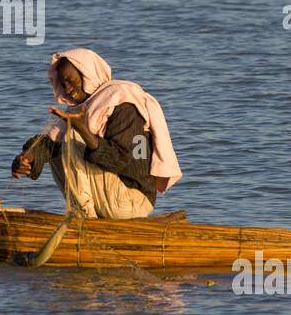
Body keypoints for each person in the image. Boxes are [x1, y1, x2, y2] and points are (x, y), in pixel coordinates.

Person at [10, 48, 181, 220]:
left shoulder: (124, 106)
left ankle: (84, 218)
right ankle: (82, 214)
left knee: (71, 137)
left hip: (132, 200)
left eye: (70, 81)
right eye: (63, 84)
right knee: (57, 145)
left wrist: (82, 129)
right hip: (111, 197)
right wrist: (28, 157)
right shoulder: (84, 110)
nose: (67, 89)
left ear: (88, 75)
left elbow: (120, 160)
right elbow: (49, 143)